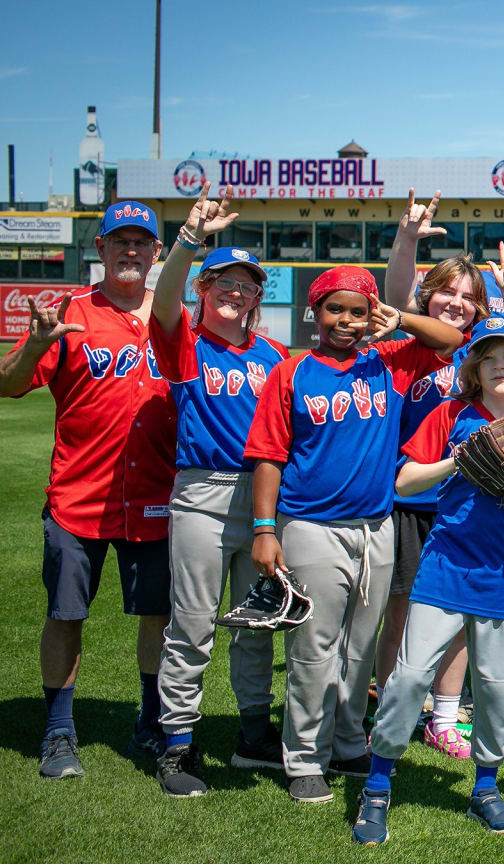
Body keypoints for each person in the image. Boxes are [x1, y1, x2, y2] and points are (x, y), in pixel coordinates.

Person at [243, 266, 463, 804]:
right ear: (314, 312)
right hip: (311, 526)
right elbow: (270, 456)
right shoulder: (293, 372)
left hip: (376, 526)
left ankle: (345, 742)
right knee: (314, 648)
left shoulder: (388, 361)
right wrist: (265, 528)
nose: (346, 320)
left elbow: (454, 339)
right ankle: (303, 757)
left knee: (359, 650)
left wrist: (401, 319)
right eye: (334, 309)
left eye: (358, 311)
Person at [351, 316, 504, 846]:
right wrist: (458, 461)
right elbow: (405, 479)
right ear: (473, 366)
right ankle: (377, 786)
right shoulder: (452, 413)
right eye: (490, 357)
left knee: (495, 690)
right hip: (445, 565)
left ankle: (486, 787)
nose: (501, 366)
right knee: (407, 679)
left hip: (503, 573)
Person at [0, 200, 176, 778]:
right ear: (99, 249)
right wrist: (32, 345)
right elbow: (10, 386)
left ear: (157, 252)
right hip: (79, 496)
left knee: (157, 615)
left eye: (141, 242)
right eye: (119, 241)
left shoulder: (175, 317)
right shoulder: (71, 311)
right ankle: (58, 730)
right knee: (66, 612)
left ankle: (150, 720)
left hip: (156, 494)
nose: (131, 250)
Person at [147, 186, 290, 796]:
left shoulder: (276, 353)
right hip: (203, 494)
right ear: (202, 290)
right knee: (193, 624)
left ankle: (253, 734)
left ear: (260, 295)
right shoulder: (186, 344)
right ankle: (176, 744)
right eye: (222, 283)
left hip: (262, 500)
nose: (236, 293)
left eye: (247, 285)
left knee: (257, 624)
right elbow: (162, 299)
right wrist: (187, 240)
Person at [376, 191, 500, 761]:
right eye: (446, 292)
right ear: (427, 296)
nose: (455, 304)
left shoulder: (481, 353)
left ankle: (445, 715)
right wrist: (405, 239)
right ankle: (387, 700)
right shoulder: (406, 344)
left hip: (462, 501)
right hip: (407, 496)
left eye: (467, 298)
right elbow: (396, 300)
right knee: (398, 607)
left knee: (456, 613)